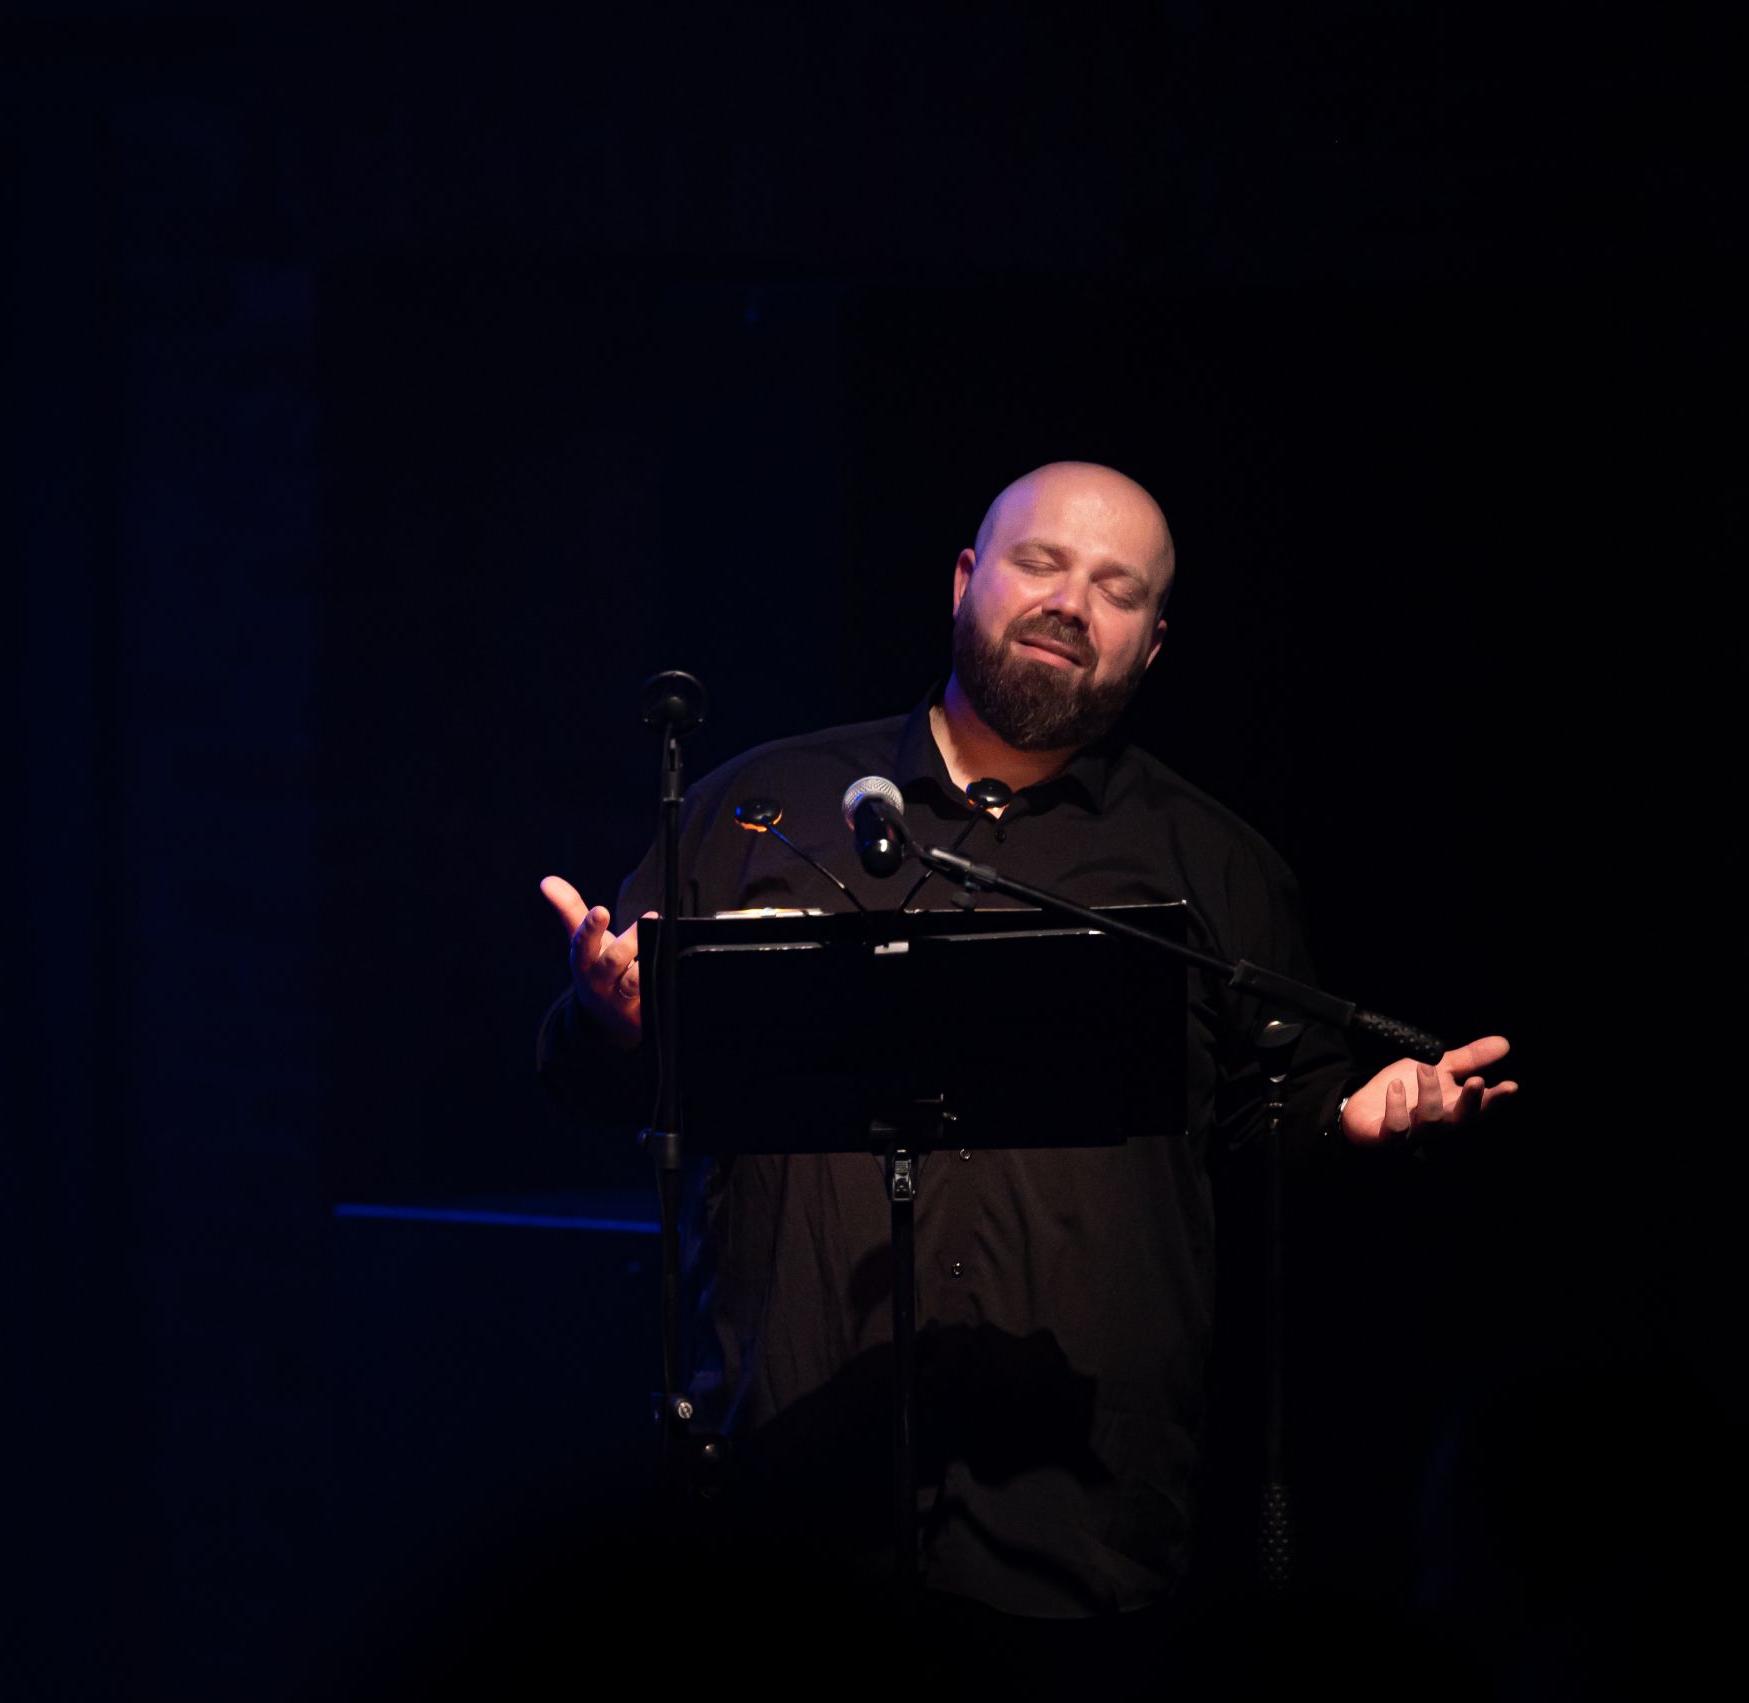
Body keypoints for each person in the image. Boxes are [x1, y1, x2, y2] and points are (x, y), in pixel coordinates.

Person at [533, 463, 1515, 1660]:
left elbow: (1277, 1108)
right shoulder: (767, 808)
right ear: (965, 580)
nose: (1068, 603)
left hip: (1076, 1519)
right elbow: (595, 1079)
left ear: (1151, 645)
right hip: (781, 1504)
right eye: (1040, 564)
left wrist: (1353, 1114)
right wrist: (613, 1015)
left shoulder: (1213, 862)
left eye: (1114, 589)